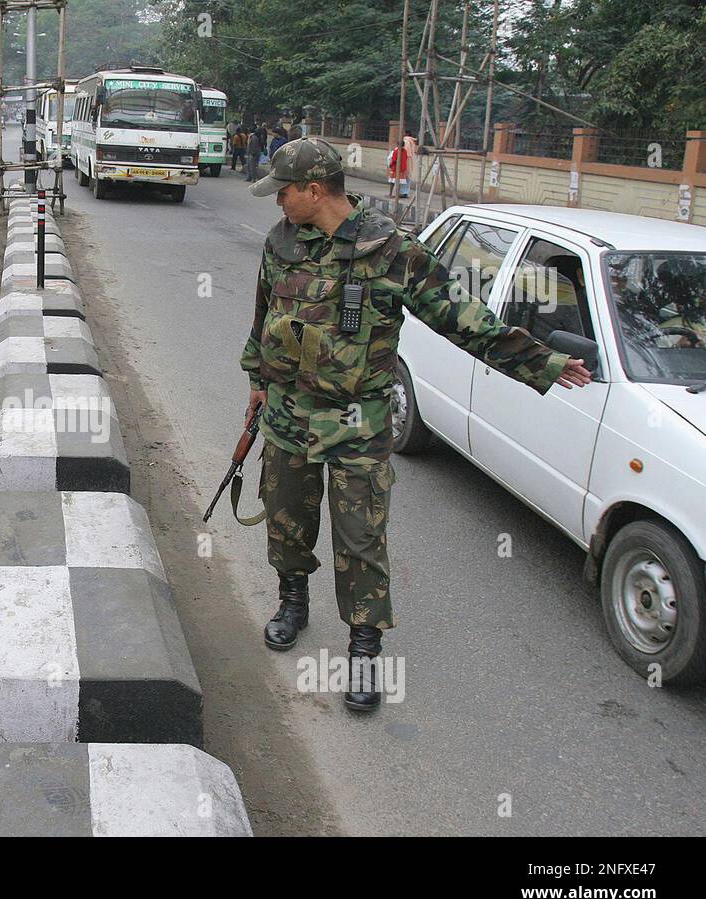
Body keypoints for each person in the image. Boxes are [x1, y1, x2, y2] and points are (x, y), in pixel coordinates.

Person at [240, 138, 591, 711]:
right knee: (287, 521)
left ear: (313, 189)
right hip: (286, 415)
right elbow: (264, 315)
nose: (276, 201)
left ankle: (362, 651)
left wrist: (539, 361)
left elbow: (464, 318)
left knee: (361, 538)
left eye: (282, 191)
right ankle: (293, 602)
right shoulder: (280, 242)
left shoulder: (391, 251)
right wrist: (256, 379)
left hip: (358, 423)